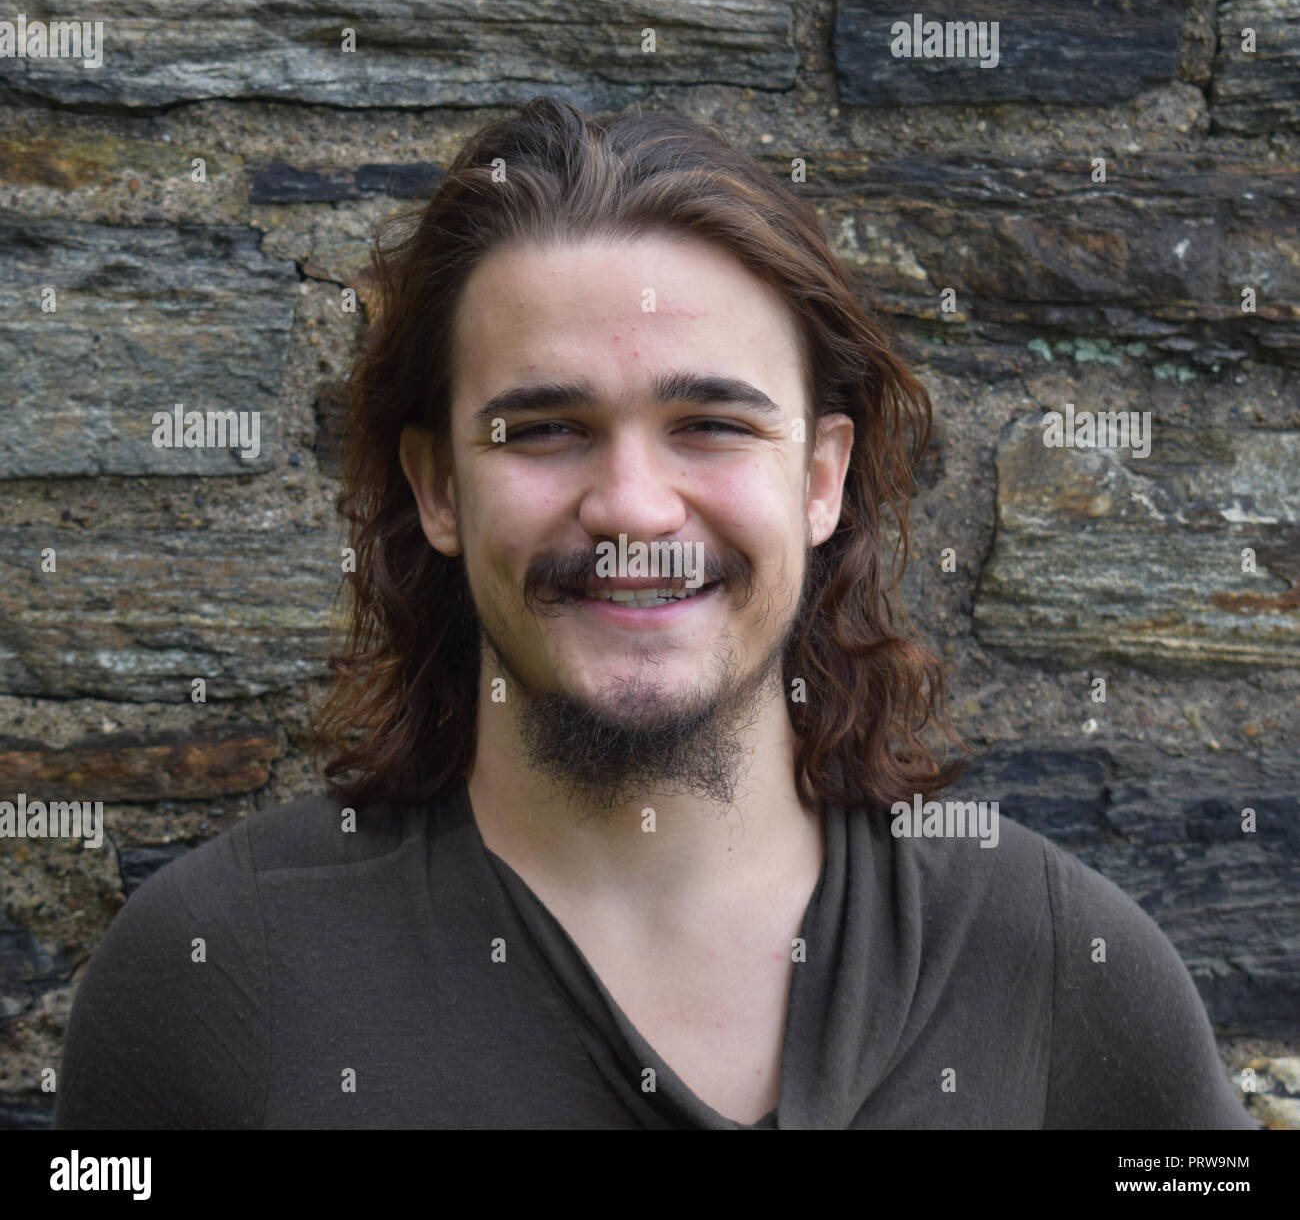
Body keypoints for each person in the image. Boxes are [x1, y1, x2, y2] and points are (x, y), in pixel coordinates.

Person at [54, 97, 1256, 1130]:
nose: (631, 506)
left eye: (712, 426)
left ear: (822, 477)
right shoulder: (215, 972)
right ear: (435, 487)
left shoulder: (1061, 967)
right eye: (544, 428)